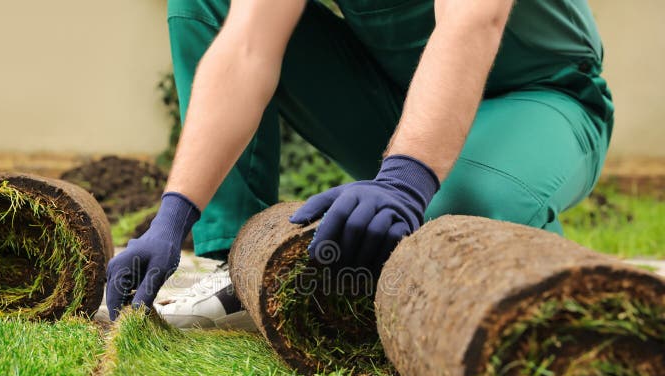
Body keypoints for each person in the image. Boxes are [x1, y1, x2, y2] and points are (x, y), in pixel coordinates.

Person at [106, 0, 613, 326]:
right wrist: (174, 217)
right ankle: (236, 268)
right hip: (400, 98)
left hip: (538, 96)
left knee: (460, 211)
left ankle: (532, 250)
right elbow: (244, 49)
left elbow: (474, 18)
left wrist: (405, 180)